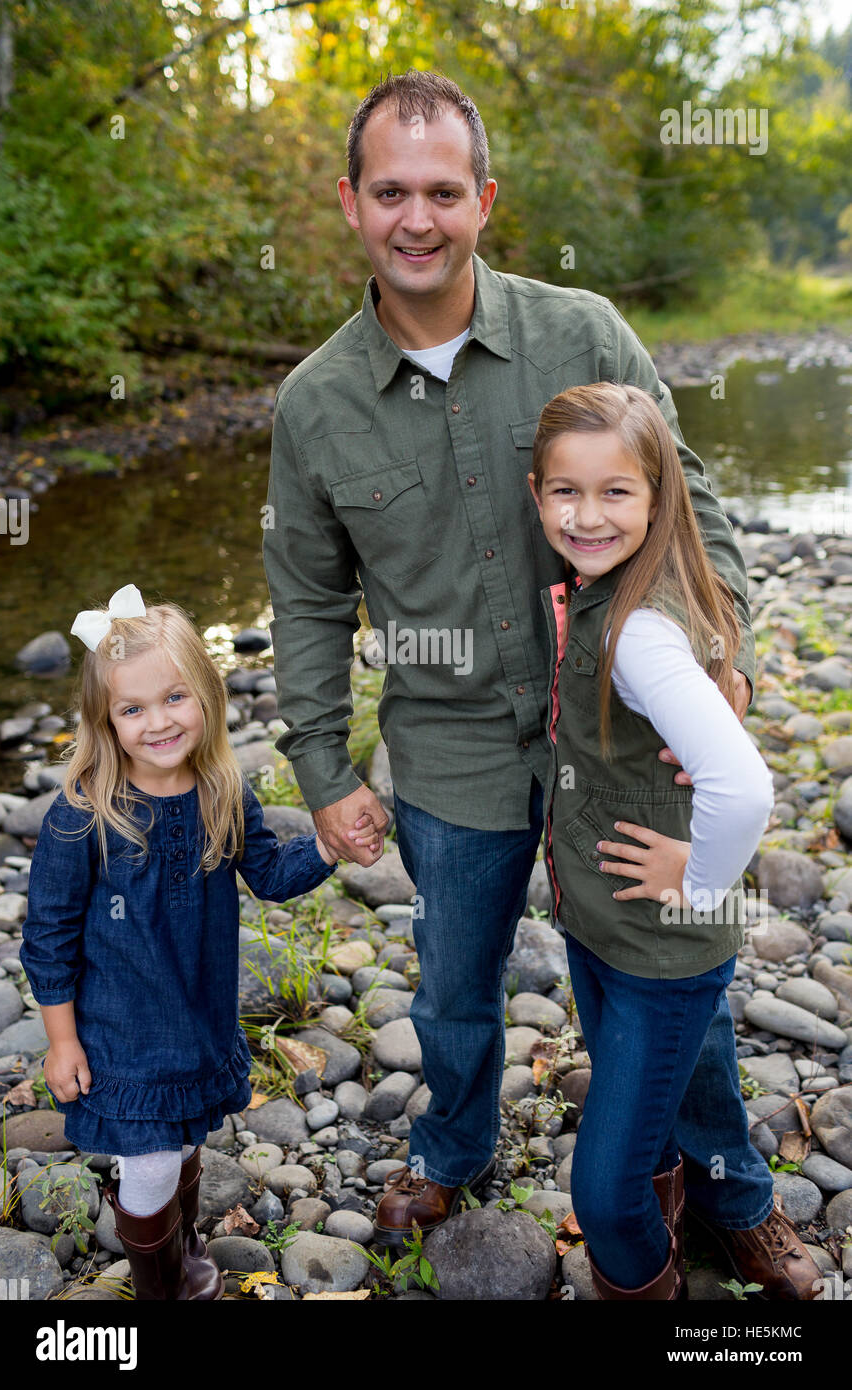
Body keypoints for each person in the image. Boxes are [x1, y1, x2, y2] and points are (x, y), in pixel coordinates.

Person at [263, 68, 816, 1294]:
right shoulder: (314, 405)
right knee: (453, 983)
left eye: (443, 191)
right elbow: (305, 599)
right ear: (349, 201)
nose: (419, 217)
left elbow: (693, 502)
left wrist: (716, 664)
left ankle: (728, 1188)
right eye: (392, 191)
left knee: (677, 960)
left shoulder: (581, 333)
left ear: (484, 199)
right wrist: (320, 765)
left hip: (620, 739)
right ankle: (451, 1151)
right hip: (451, 751)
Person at [528, 381, 820, 1299]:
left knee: (603, 1189)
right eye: (565, 492)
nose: (586, 514)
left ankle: (655, 1260)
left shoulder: (642, 628)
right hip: (601, 928)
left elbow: (742, 784)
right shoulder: (600, 591)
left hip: (660, 952)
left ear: (659, 497)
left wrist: (698, 880)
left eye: (616, 491)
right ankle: (691, 1219)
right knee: (649, 1127)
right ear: (536, 495)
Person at [20, 584, 343, 1300]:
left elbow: (269, 871)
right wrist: (62, 1040)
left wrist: (324, 845)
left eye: (174, 699)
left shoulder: (222, 789)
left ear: (206, 695)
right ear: (105, 720)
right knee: (154, 1158)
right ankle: (159, 1283)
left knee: (186, 1139)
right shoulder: (83, 814)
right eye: (132, 709)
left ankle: (186, 1245)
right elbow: (46, 936)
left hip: (198, 1017)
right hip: (122, 1034)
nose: (157, 722)